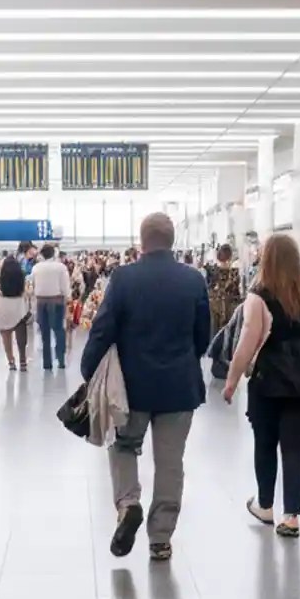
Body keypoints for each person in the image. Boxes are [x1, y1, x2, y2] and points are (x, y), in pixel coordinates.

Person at [81, 212, 211, 562]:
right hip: (179, 387)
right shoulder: (193, 279)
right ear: (171, 241)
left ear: (142, 241)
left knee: (123, 446)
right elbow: (203, 336)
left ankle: (128, 504)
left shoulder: (123, 278)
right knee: (170, 462)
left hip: (131, 387)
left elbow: (103, 328)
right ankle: (161, 539)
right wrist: (184, 358)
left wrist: (88, 368)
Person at [224, 234, 300, 538]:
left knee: (265, 443)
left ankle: (265, 505)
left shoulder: (259, 296)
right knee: (294, 446)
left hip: (269, 380)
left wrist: (231, 381)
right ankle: (292, 515)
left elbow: (246, 343)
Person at [30, 243, 71, 370]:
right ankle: (61, 360)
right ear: (54, 253)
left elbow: (33, 285)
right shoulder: (61, 267)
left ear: (42, 254)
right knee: (59, 330)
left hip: (41, 302)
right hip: (57, 301)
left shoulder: (36, 268)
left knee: (44, 332)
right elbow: (65, 286)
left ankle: (47, 363)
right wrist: (67, 298)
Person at [0, 256, 31, 371]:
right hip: (18, 307)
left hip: (3, 306)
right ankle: (23, 361)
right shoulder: (21, 276)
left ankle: (11, 361)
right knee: (21, 337)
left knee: (6, 336)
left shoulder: (1, 278)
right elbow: (25, 291)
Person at [206, 244, 242, 336]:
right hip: (229, 309)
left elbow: (209, 288)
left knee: (214, 332)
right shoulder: (234, 273)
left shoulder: (212, 271)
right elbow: (237, 293)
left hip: (214, 306)